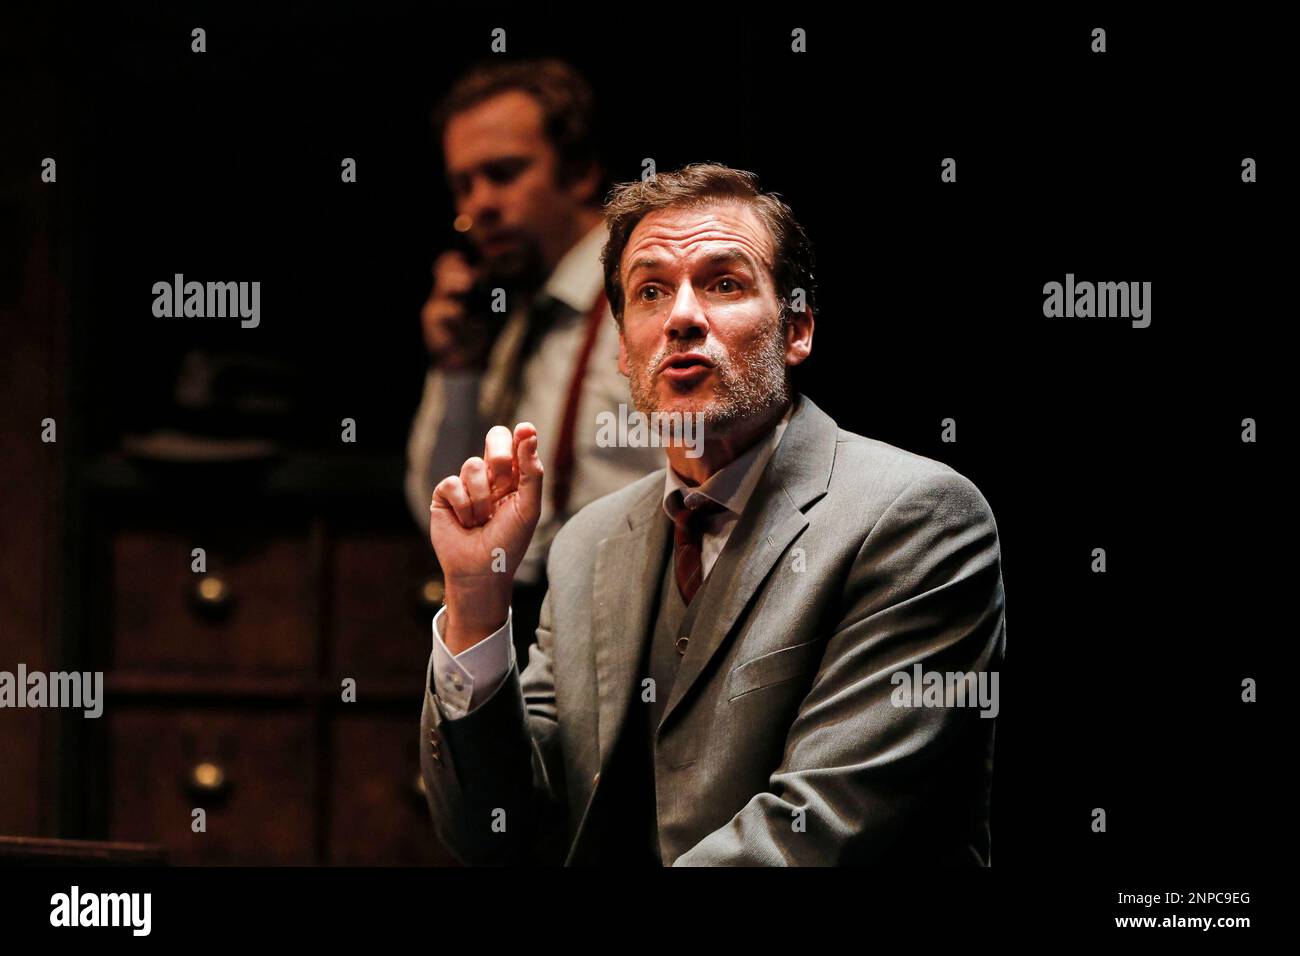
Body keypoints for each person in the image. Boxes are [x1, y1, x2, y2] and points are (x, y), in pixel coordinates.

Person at [419, 164, 1007, 866]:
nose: (683, 317)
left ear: (797, 330)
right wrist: (476, 604)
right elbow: (498, 830)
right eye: (651, 291)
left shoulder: (916, 516)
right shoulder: (586, 544)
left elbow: (822, 831)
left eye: (724, 283)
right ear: (622, 349)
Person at [406, 59, 659, 663]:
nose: (477, 207)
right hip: (536, 628)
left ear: (577, 171)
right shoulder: (521, 320)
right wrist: (458, 369)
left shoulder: (649, 294)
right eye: (463, 185)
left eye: (503, 174)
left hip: (642, 630)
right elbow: (442, 505)